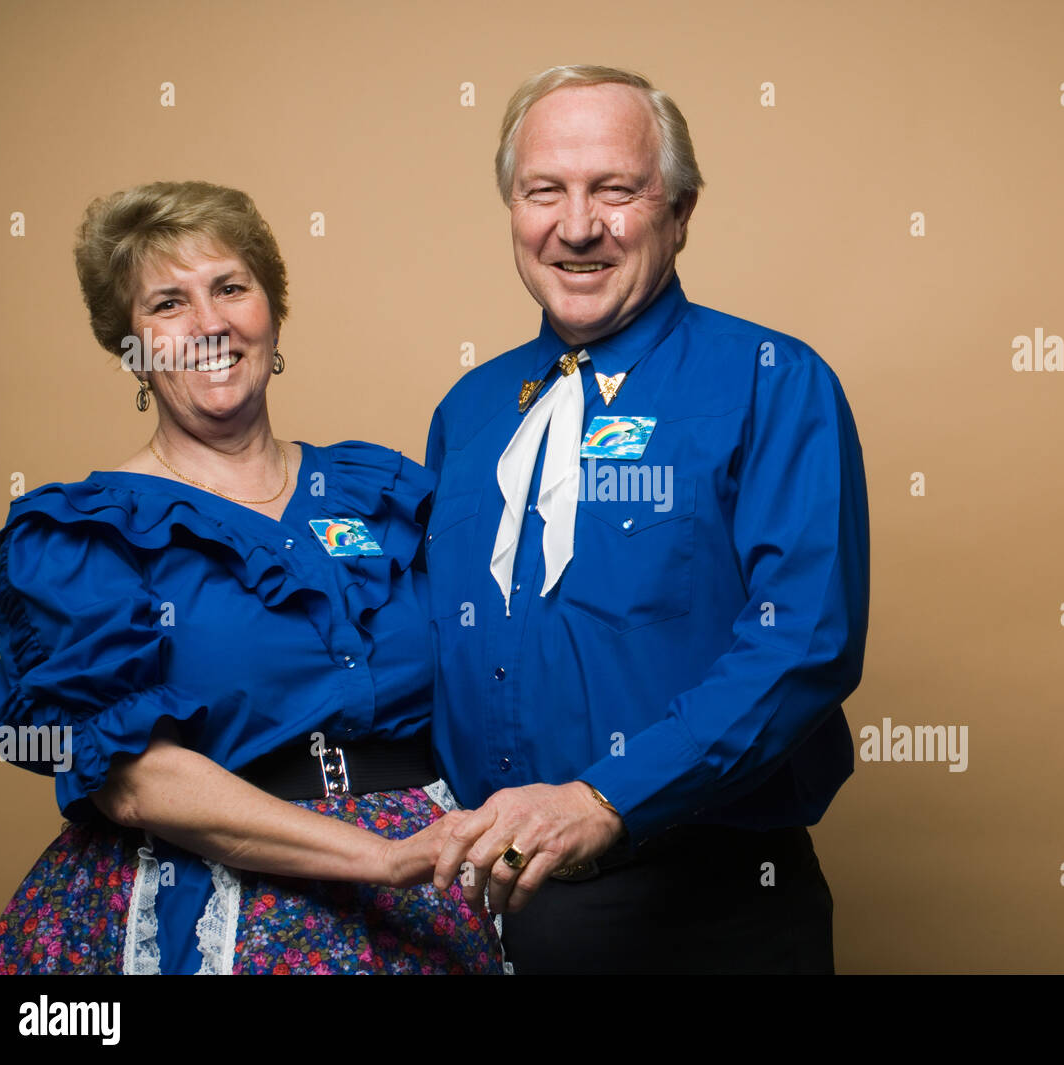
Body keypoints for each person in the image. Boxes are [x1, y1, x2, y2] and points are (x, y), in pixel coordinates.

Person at [0, 181, 501, 975]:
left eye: (230, 287)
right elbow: (134, 782)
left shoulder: (382, 491)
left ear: (272, 312)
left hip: (429, 894)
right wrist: (382, 857)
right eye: (167, 304)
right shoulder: (83, 536)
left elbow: (492, 671)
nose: (209, 323)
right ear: (132, 347)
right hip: (208, 906)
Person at [424, 66, 871, 973]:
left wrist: (604, 797)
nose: (578, 225)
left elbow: (805, 643)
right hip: (487, 917)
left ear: (681, 212)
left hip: (707, 914)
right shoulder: (467, 412)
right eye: (543, 190)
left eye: (616, 190)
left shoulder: (772, 382)